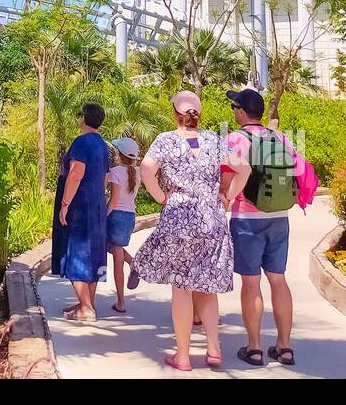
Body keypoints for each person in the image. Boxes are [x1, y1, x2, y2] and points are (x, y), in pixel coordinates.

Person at [134, 91, 249, 370]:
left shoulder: (165, 140)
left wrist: (161, 197)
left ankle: (183, 356)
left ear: (175, 113)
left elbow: (146, 168)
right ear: (199, 114)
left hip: (179, 215)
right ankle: (213, 349)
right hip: (212, 217)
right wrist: (229, 196)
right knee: (207, 287)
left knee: (182, 288)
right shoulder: (213, 139)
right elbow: (243, 169)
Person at [221, 87, 319, 367]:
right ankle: (284, 347)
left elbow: (226, 182)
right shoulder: (281, 138)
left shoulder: (235, 140)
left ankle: (254, 348)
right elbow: (298, 172)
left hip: (247, 220)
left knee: (251, 283)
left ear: (241, 111)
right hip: (279, 218)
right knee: (278, 279)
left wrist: (224, 198)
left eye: (234, 108)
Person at [58, 102, 111, 322]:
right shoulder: (102, 145)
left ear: (83, 118)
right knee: (94, 254)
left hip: (81, 205)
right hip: (97, 203)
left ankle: (87, 309)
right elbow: (106, 177)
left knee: (76, 255)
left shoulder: (81, 142)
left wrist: (64, 204)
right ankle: (86, 303)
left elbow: (76, 173)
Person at [105, 136, 142, 313]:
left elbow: (113, 201)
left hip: (116, 216)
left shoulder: (116, 172)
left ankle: (121, 302)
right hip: (130, 215)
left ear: (119, 153)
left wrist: (103, 216)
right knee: (113, 247)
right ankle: (135, 263)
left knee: (116, 258)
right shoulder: (137, 172)